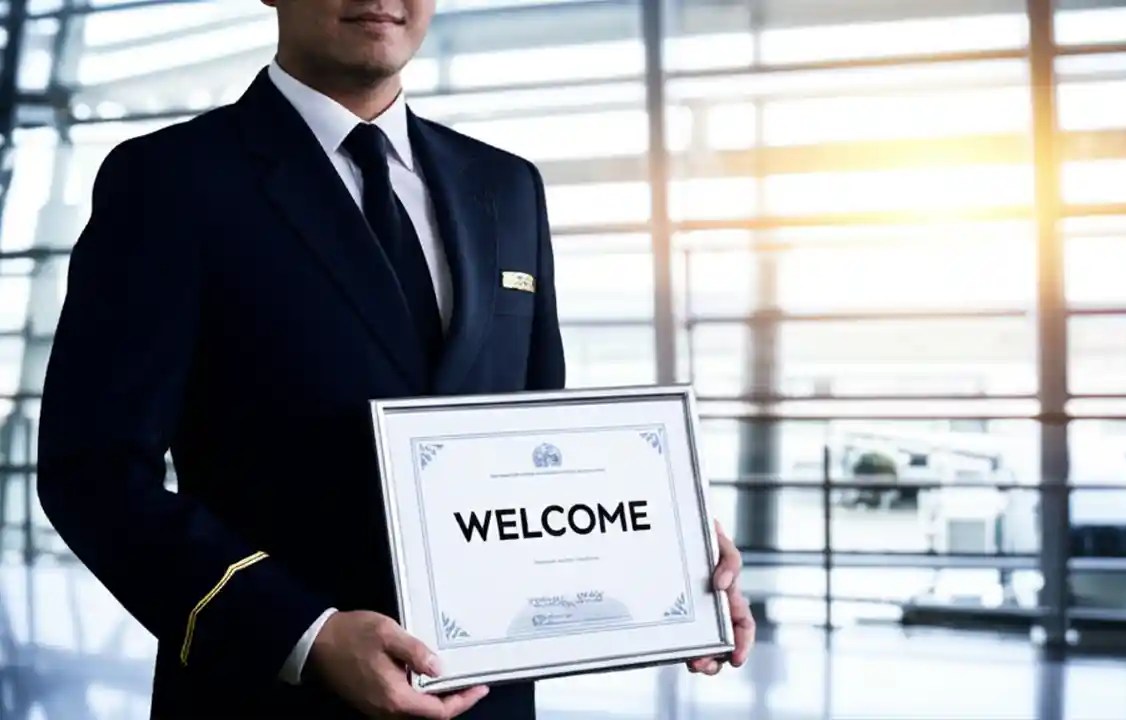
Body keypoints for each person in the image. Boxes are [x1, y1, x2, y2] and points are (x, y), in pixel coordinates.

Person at [36, 1, 754, 718]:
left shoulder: (506, 186)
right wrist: (303, 636)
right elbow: (92, 472)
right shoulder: (170, 181)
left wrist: (668, 549)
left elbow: (538, 444)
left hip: (487, 695)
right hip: (270, 693)